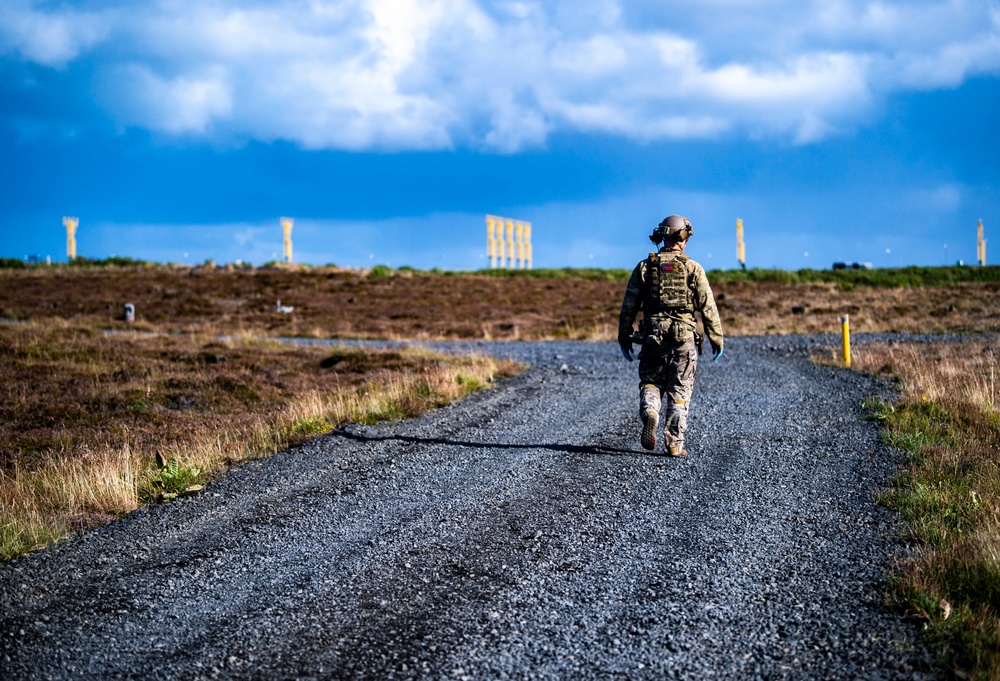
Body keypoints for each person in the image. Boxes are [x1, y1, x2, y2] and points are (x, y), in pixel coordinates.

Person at [618, 214, 724, 456]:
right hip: (683, 339)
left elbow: (628, 307)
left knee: (651, 382)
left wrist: (624, 338)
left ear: (662, 235)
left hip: (652, 337)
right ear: (684, 237)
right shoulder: (693, 268)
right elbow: (708, 307)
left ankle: (650, 411)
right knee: (680, 390)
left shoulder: (645, 267)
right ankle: (674, 444)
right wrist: (716, 339)